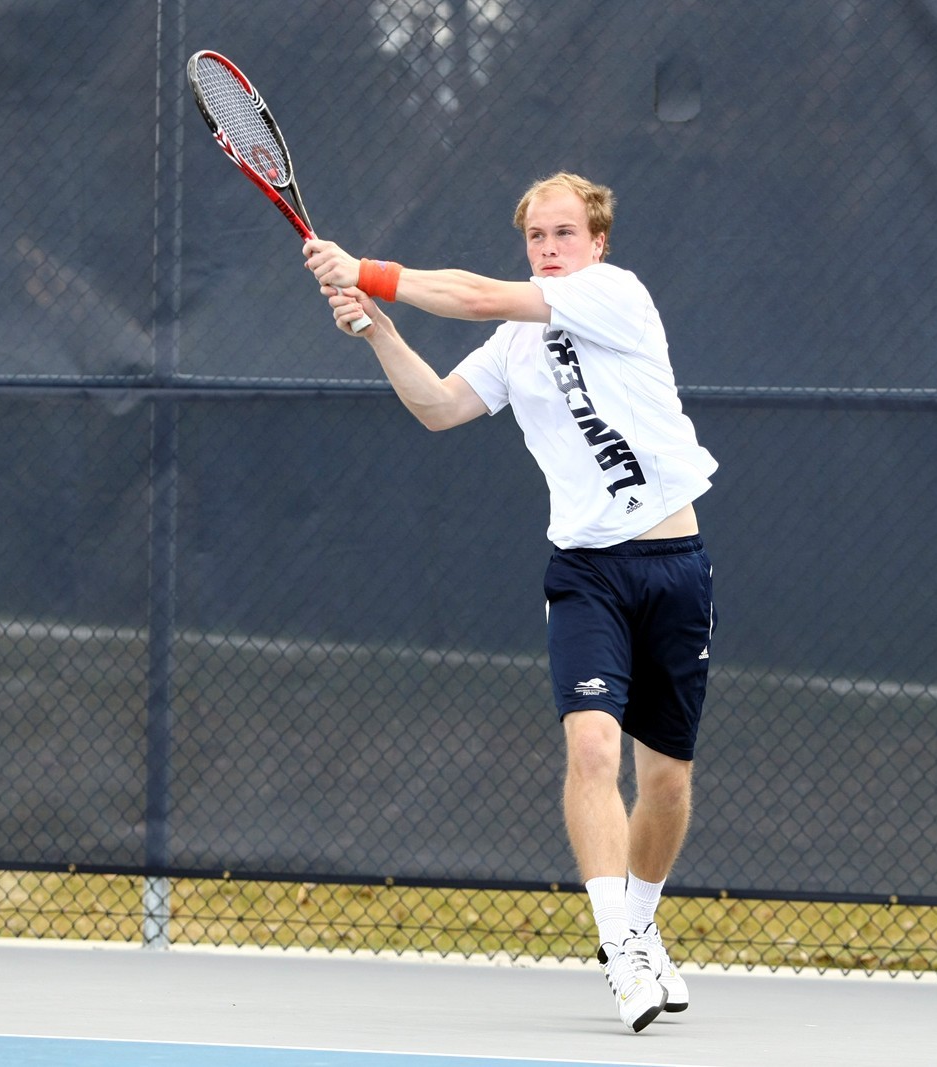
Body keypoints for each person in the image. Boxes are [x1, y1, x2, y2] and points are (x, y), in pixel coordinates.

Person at [303, 172, 716, 1034]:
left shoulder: (615, 295)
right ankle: (621, 950)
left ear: (597, 243)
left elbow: (478, 295)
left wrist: (368, 270)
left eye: (565, 234)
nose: (550, 248)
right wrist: (379, 328)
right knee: (593, 747)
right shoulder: (515, 345)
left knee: (667, 783)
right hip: (586, 575)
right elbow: (439, 406)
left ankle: (642, 925)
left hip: (674, 566)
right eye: (537, 236)